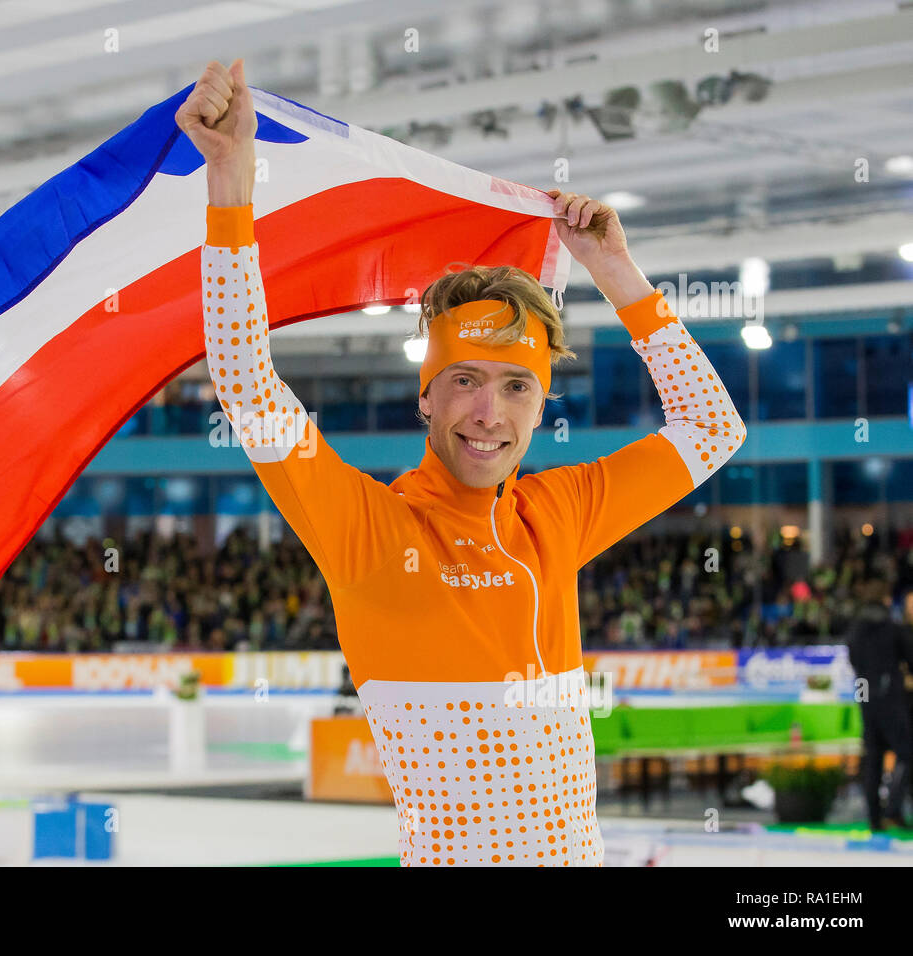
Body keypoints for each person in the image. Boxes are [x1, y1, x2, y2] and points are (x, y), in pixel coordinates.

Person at [176, 59, 746, 866]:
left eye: (518, 387)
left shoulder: (557, 513)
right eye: (465, 382)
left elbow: (713, 427)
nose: (490, 413)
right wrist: (232, 179)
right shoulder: (366, 529)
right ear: (425, 397)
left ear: (541, 405)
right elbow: (244, 380)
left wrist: (616, 272)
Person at [845, 578, 913, 831]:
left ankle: (874, 818)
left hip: (865, 700)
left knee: (873, 758)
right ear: (886, 600)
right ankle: (892, 809)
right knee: (906, 753)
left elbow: (853, 659)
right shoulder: (891, 628)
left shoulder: (856, 630)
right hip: (892, 700)